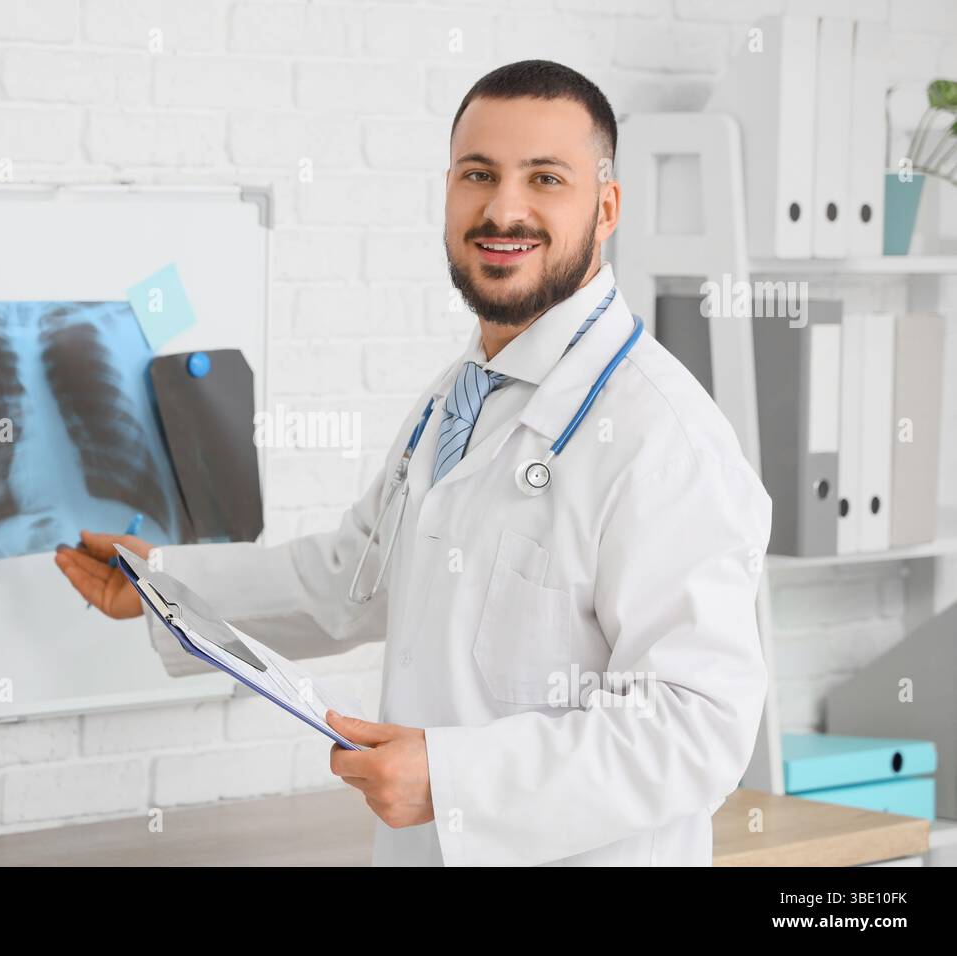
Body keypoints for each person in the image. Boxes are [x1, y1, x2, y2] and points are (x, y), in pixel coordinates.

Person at [55, 60, 773, 867]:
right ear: (447, 191)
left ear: (605, 208)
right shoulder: (460, 397)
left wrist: (455, 781)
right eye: (479, 174)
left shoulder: (664, 438)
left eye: (545, 177)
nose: (504, 208)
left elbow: (698, 726)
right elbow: (350, 577)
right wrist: (165, 590)